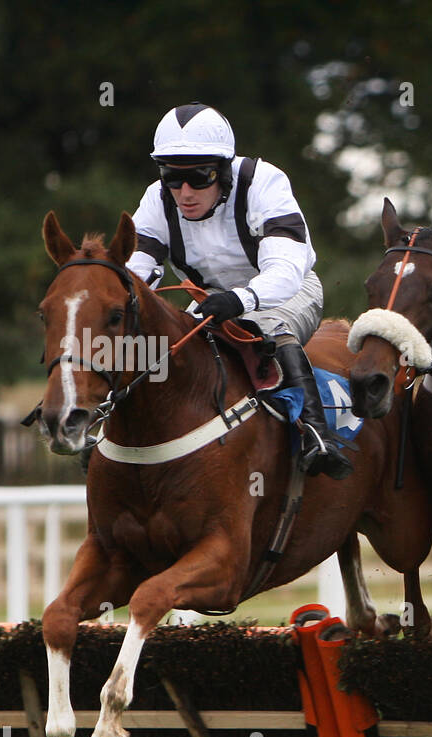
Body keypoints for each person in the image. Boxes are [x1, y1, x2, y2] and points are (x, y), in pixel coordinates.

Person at [125, 102, 351, 478]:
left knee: (265, 329)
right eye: (171, 177)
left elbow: (285, 269)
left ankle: (316, 435)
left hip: (287, 292)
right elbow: (136, 270)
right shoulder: (156, 198)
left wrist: (240, 300)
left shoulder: (265, 182)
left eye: (199, 177)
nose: (184, 193)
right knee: (147, 342)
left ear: (224, 170)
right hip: (210, 302)